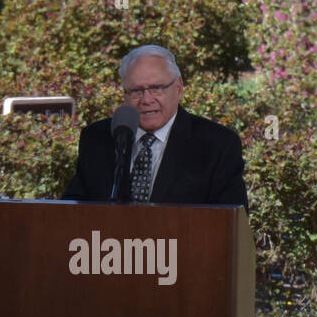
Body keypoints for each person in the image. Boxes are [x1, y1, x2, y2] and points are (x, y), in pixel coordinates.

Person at [62, 45, 247, 206]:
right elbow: (73, 211)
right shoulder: (97, 139)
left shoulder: (218, 145)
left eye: (157, 88)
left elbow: (229, 225)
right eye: (136, 91)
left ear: (179, 88)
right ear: (124, 94)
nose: (147, 100)